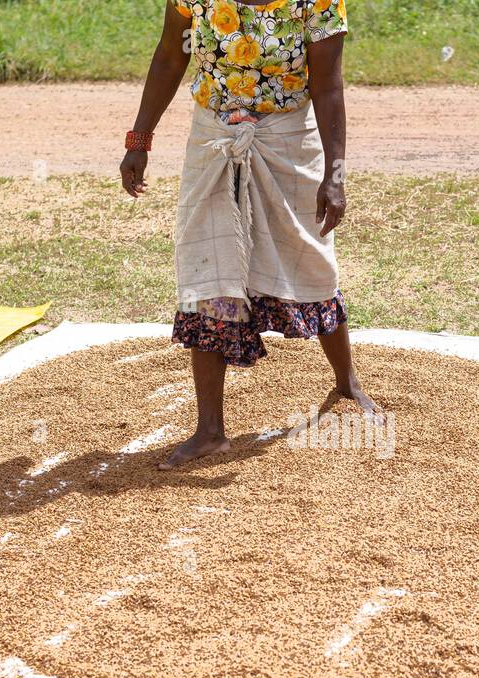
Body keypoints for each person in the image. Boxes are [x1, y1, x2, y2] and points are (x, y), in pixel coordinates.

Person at [120, 0, 378, 470]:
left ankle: (346, 380)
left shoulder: (315, 2)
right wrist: (140, 140)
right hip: (213, 138)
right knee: (209, 272)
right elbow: (169, 56)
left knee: (310, 259)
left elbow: (329, 85)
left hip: (288, 140)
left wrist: (335, 175)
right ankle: (210, 430)